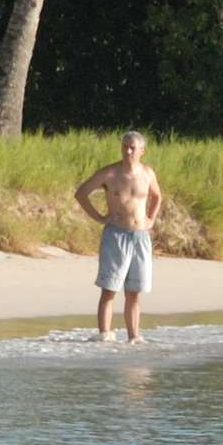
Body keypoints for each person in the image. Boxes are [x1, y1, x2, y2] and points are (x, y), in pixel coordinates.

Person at [76, 130, 162, 340]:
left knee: (134, 291)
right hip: (116, 235)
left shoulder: (148, 173)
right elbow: (81, 193)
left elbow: (156, 195)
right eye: (125, 146)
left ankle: (134, 336)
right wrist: (99, 217)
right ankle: (105, 334)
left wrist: (151, 218)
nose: (128, 151)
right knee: (110, 289)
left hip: (140, 236)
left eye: (133, 147)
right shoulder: (109, 174)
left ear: (142, 150)